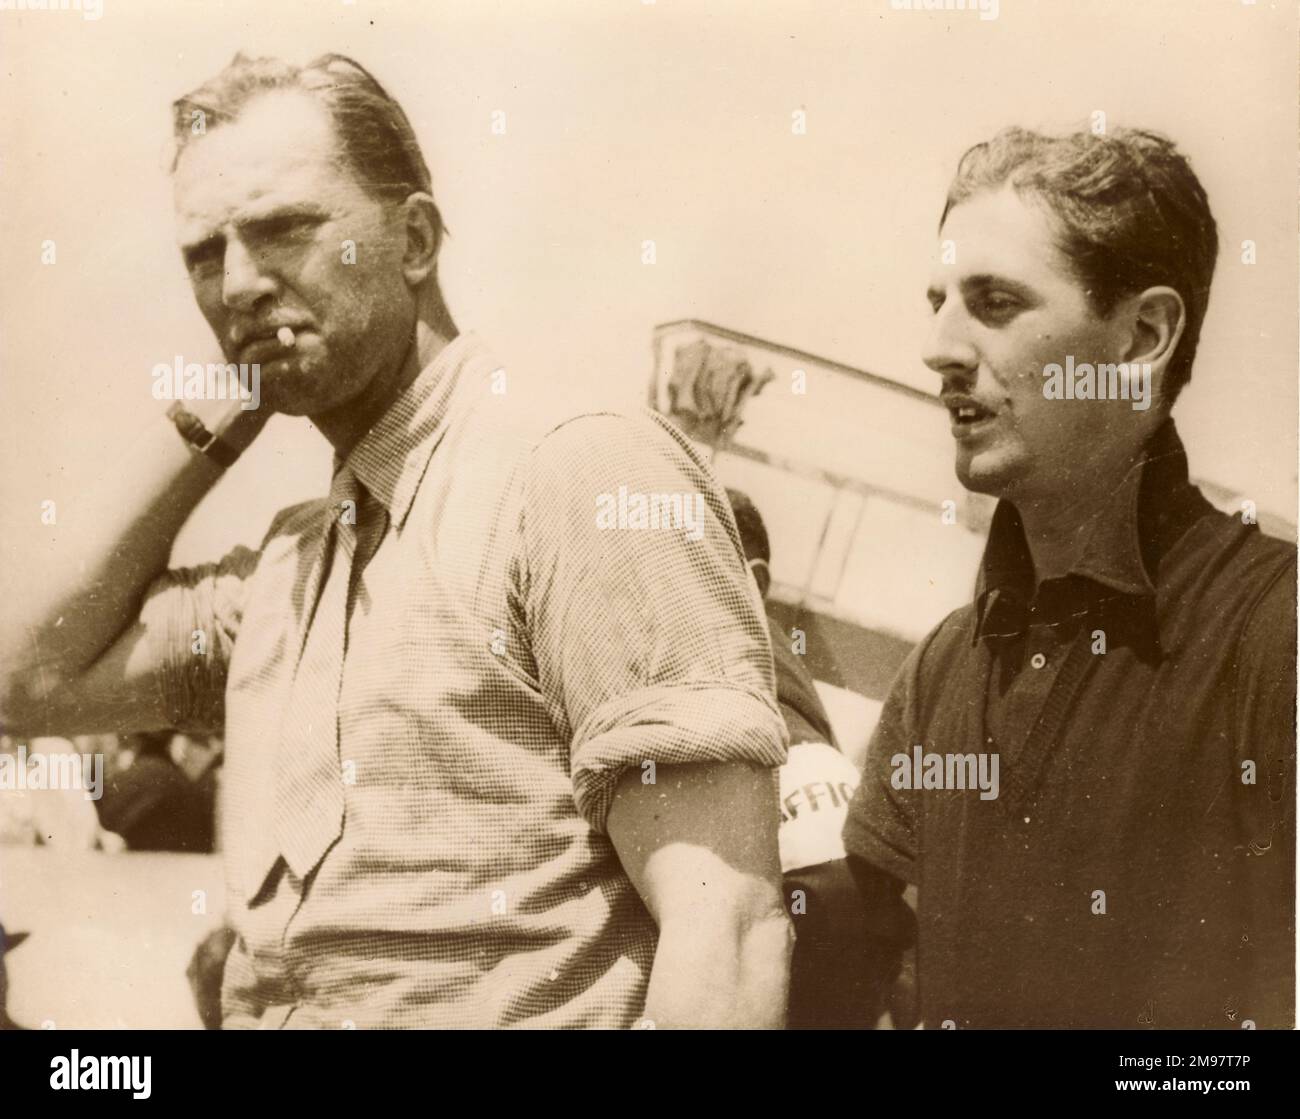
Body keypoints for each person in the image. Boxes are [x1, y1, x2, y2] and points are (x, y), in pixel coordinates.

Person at [0, 52, 793, 1029]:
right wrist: (207, 422)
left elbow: (732, 928)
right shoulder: (294, 569)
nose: (239, 283)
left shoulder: (574, 474)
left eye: (284, 229)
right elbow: (26, 681)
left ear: (413, 239)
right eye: (205, 254)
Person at [843, 125, 1296, 1029]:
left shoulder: (1276, 638)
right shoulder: (943, 667)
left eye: (996, 301)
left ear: (1141, 337)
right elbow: (851, 952)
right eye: (938, 301)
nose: (939, 347)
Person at [726, 489, 906, 1028]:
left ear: (753, 580)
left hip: (813, 858)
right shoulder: (771, 644)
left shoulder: (732, 629)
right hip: (841, 853)